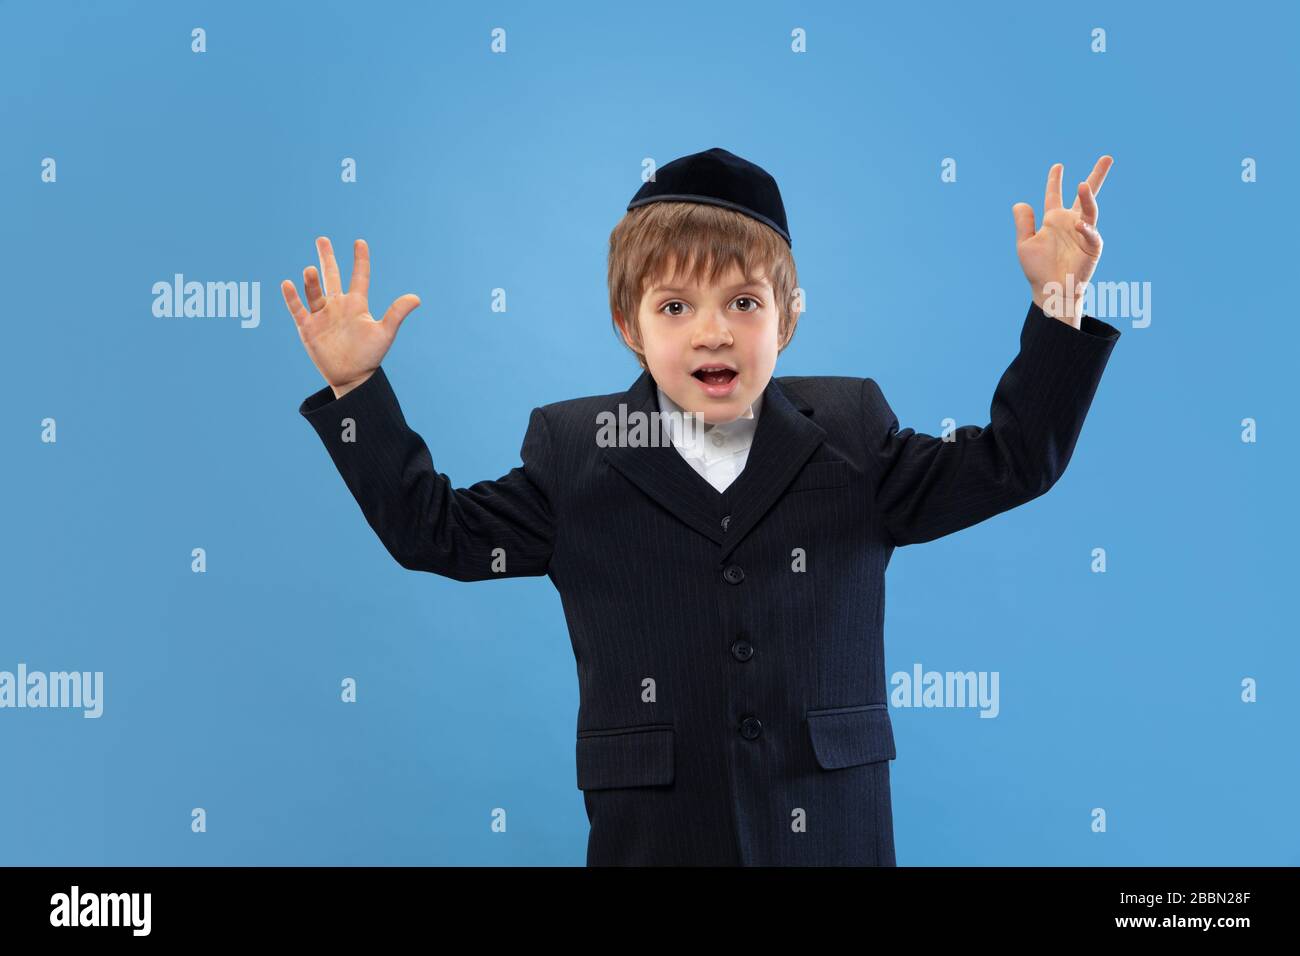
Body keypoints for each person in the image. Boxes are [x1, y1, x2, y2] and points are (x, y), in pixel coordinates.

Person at [281, 147, 1120, 866]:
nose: (712, 333)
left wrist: (1058, 304)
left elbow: (1013, 462)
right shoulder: (578, 449)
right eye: (675, 307)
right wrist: (356, 387)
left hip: (828, 831)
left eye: (743, 303)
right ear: (628, 325)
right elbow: (437, 534)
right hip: (658, 837)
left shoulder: (855, 432)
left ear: (786, 321)